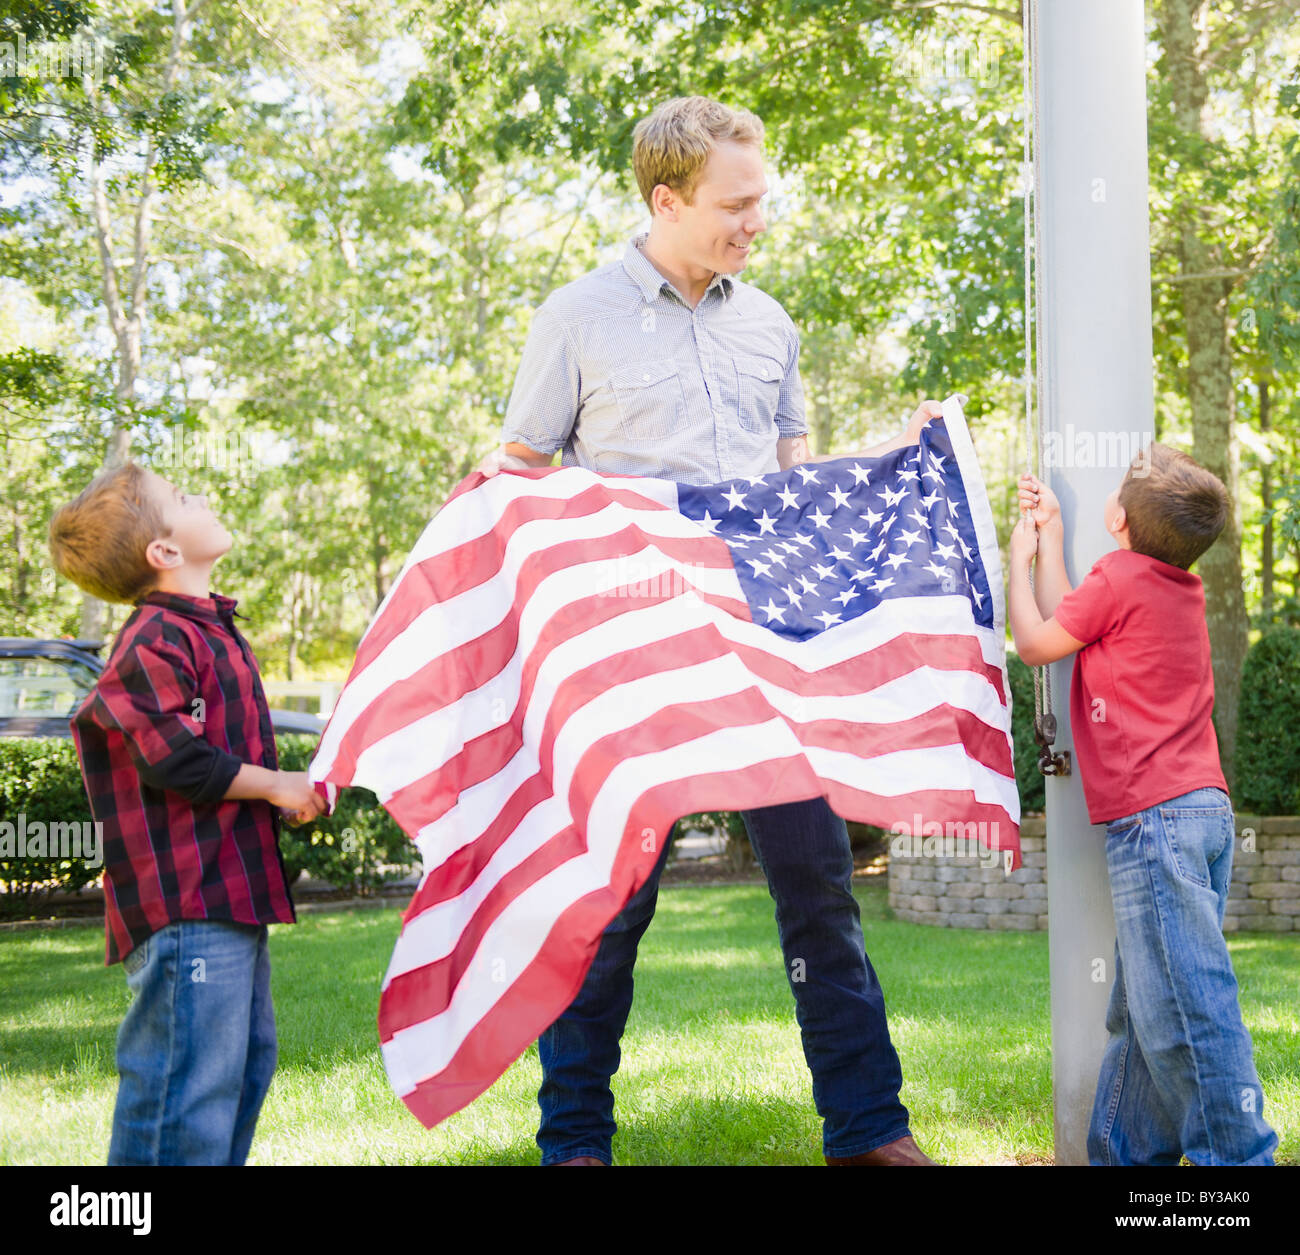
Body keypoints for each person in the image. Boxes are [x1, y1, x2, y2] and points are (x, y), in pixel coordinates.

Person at [478, 95, 942, 1166]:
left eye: (761, 202)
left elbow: (793, 485)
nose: (756, 223)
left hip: (762, 646)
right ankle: (576, 1142)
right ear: (666, 198)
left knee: (818, 887)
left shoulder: (767, 323)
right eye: (737, 205)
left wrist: (891, 449)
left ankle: (870, 1129)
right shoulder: (575, 317)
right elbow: (520, 478)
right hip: (631, 659)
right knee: (609, 903)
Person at [48, 462, 327, 1165]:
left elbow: (217, 762)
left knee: (240, 1073)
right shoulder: (154, 638)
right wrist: (272, 785)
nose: (200, 497)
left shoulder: (211, 633)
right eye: (182, 498)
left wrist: (281, 794)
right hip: (185, 909)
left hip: (227, 898)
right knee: (184, 1090)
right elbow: (170, 756)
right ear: (163, 552)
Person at [1008, 445, 1278, 1166]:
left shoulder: (1119, 576)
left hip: (1156, 821)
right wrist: (1055, 537)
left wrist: (1017, 557)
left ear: (1118, 515)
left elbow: (1038, 640)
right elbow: (1075, 618)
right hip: (1201, 814)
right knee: (1148, 1004)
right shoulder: (1169, 586)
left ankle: (1238, 1159)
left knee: (1187, 1010)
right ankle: (1125, 1158)